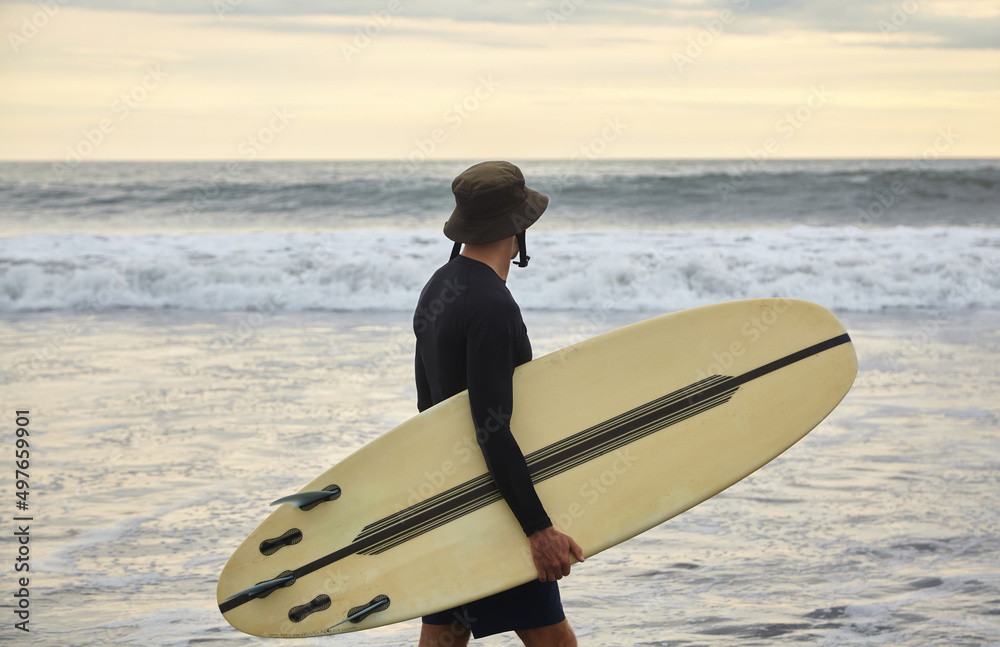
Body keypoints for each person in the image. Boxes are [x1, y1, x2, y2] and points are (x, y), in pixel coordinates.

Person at [413, 161, 584, 647]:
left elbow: (429, 410)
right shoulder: (492, 306)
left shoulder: (438, 287)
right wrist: (538, 529)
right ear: (518, 226)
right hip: (496, 512)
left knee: (442, 641)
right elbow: (491, 426)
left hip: (453, 503)